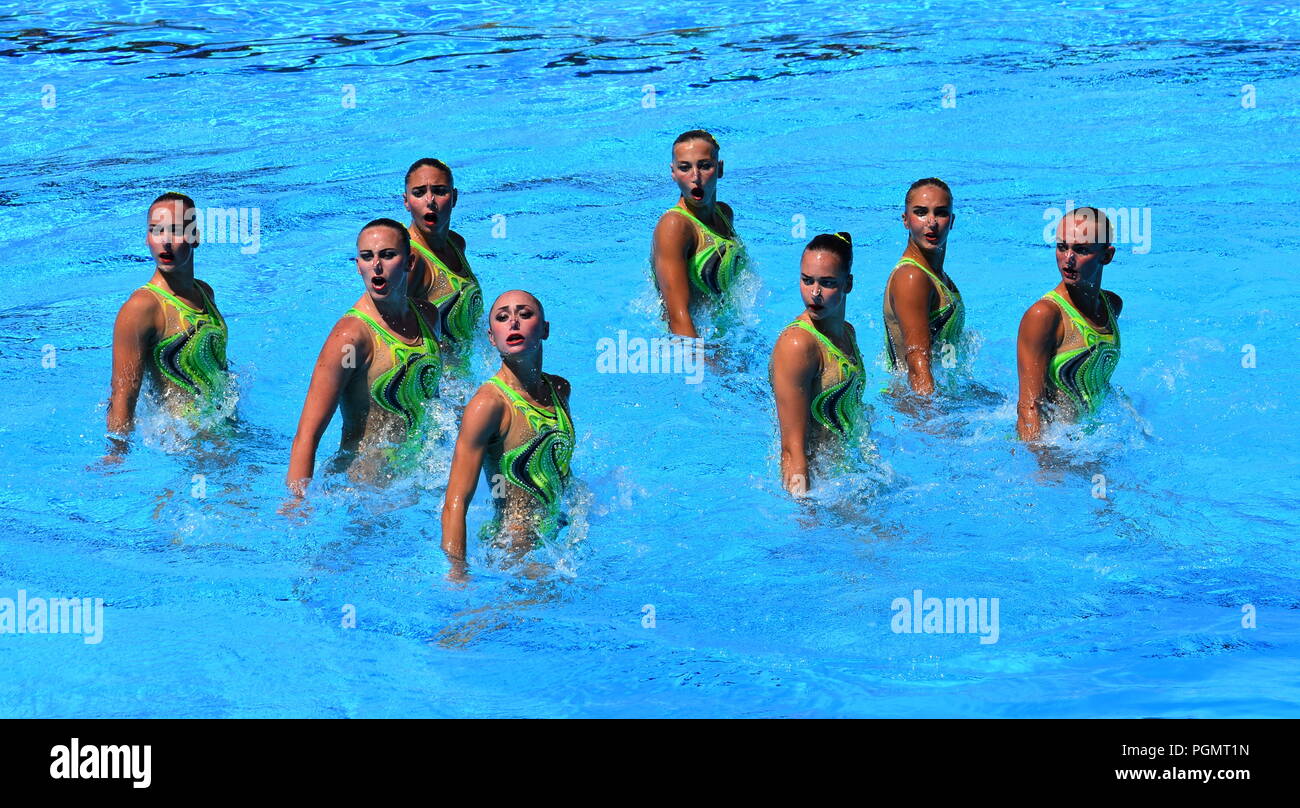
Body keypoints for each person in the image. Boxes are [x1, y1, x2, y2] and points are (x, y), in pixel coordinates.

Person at [287, 219, 443, 494]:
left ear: (409, 262)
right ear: (358, 265)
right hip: (364, 488)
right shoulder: (350, 338)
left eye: (388, 255)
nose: (377, 266)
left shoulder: (429, 317)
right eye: (367, 257)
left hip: (420, 475)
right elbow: (307, 435)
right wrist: (297, 505)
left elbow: (431, 400)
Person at [441, 290, 574, 572]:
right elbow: (456, 500)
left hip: (557, 535)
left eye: (525, 314)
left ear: (545, 329)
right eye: (502, 318)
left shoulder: (560, 389)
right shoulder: (488, 406)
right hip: (515, 551)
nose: (513, 322)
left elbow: (560, 468)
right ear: (492, 337)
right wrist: (457, 572)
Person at [107, 192, 229, 449]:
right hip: (183, 444)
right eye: (156, 230)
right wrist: (116, 455)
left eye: (175, 231)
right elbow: (123, 395)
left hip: (221, 430)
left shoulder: (204, 292)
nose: (165, 242)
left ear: (195, 236)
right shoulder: (142, 308)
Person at [1016, 207, 1123, 441]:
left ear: (1107, 256)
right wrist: (1042, 467)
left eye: (1081, 250)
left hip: (1090, 441)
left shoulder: (1112, 306)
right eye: (1062, 247)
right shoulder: (1044, 316)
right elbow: (1028, 406)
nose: (1068, 259)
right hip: (1056, 446)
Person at [770, 233, 865, 495]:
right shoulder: (798, 345)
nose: (815, 293)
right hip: (819, 488)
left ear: (848, 284)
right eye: (807, 280)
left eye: (827, 283)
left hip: (846, 476)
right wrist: (806, 512)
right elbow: (792, 449)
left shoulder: (848, 333)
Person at [651, 130, 747, 338]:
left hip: (722, 332)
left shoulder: (724, 214)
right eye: (684, 168)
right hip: (691, 339)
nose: (695, 177)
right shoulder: (674, 227)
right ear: (673, 172)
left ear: (719, 169)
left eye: (705, 166)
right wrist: (701, 362)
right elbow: (677, 316)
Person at [883, 178, 964, 394]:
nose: (931, 222)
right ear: (906, 220)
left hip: (936, 395)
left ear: (952, 220)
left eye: (940, 213)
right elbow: (917, 363)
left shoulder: (937, 276)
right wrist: (931, 422)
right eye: (920, 212)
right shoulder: (912, 277)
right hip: (914, 406)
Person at [402, 158, 483, 348]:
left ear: (454, 197)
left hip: (467, 371)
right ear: (406, 201)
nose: (430, 201)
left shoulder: (456, 243)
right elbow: (387, 325)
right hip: (441, 376)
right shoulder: (410, 260)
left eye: (440, 191)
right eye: (419, 192)